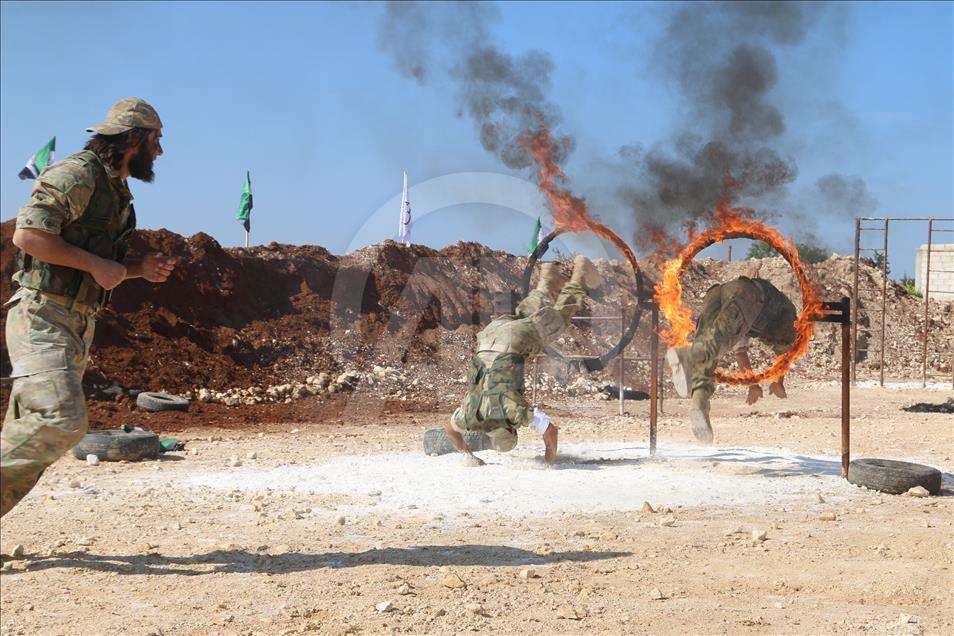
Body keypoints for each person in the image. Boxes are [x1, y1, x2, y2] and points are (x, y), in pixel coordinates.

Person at [1, 97, 176, 518]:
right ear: (136, 139)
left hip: (76, 324)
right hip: (42, 316)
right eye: (157, 140)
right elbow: (28, 236)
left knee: (30, 435)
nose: (161, 151)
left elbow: (93, 262)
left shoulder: (115, 190)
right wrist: (99, 264)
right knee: (61, 420)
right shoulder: (77, 174)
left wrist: (137, 269)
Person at [443, 255, 601, 466]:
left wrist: (548, 463)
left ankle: (580, 275)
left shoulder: (512, 413)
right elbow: (449, 430)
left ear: (512, 430)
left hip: (513, 341)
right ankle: (546, 281)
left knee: (558, 319)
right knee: (522, 317)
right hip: (489, 334)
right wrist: (470, 456)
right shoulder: (470, 415)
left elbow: (550, 432)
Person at [665, 262, 797, 444]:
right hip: (746, 295)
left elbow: (740, 353)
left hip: (717, 292)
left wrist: (753, 386)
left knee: (710, 351)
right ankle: (687, 355)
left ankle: (699, 404)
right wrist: (778, 382)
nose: (767, 343)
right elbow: (784, 355)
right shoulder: (789, 323)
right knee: (717, 340)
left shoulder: (753, 322)